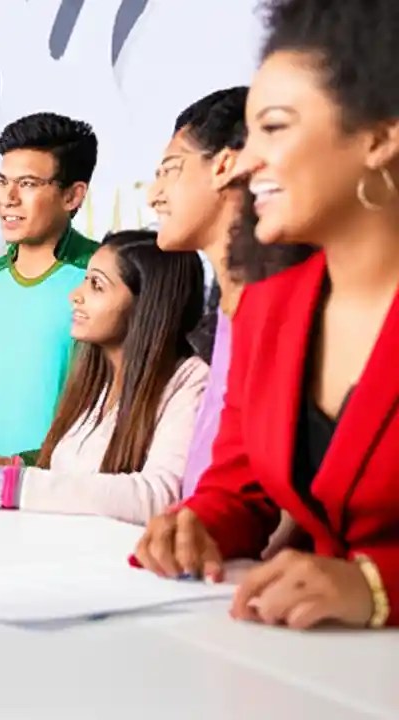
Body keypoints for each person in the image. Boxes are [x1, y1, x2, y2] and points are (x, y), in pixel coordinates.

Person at [134, 0, 399, 631]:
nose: (247, 161)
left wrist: (379, 583)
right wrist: (198, 525)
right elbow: (239, 487)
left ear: (379, 137)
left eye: (275, 128)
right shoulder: (270, 309)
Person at [0, 231, 209, 524]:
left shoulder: (191, 382)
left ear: (146, 303)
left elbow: (158, 495)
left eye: (96, 285)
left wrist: (5, 484)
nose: (75, 295)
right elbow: (70, 475)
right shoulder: (98, 379)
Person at [149, 86, 313, 498]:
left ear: (223, 166)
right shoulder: (227, 308)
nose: (154, 196)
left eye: (170, 169)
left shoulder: (286, 303)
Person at [0, 112, 101, 459]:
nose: (9, 198)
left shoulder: (101, 275)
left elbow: (103, 413)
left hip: (69, 493)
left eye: (29, 183)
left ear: (73, 196)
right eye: (2, 182)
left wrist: (15, 469)